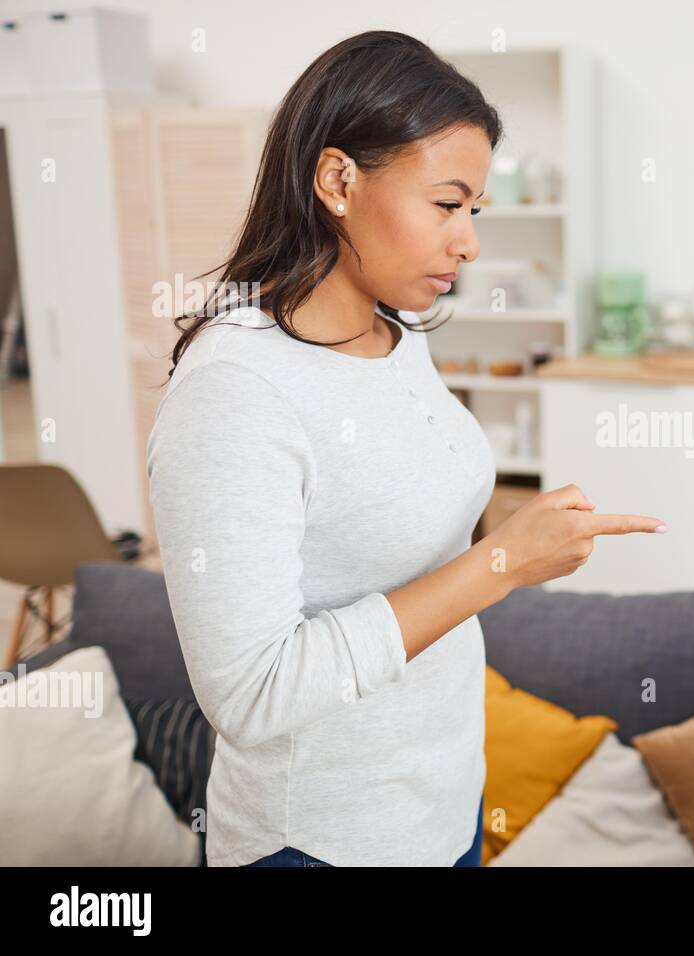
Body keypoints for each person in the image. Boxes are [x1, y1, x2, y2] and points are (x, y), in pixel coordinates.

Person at [147, 30, 666, 867]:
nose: (469, 242)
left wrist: (511, 534)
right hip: (322, 843)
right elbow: (251, 692)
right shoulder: (235, 391)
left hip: (444, 805)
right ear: (337, 180)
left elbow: (394, 520)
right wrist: (499, 564)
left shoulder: (399, 334)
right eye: (447, 203)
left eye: (477, 210)